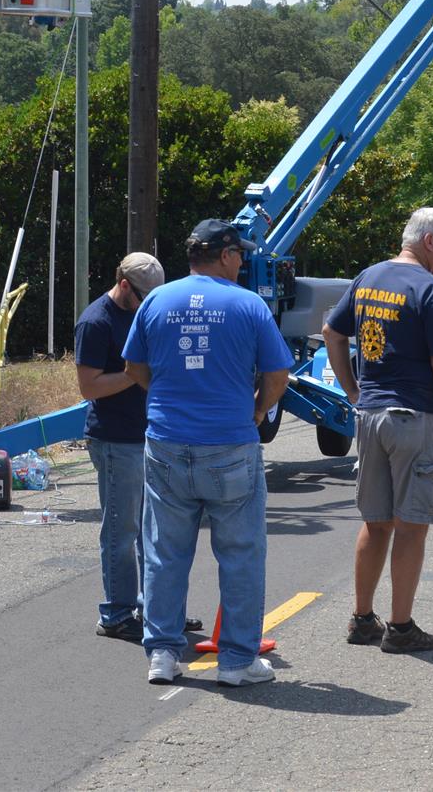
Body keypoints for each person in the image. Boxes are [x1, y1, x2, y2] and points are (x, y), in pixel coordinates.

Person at [123, 219, 293, 687]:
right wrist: (258, 413)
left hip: (167, 444)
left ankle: (161, 653)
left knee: (164, 552)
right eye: (239, 254)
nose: (242, 261)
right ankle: (237, 661)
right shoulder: (248, 305)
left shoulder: (157, 299)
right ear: (224, 256)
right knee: (240, 554)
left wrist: (168, 396)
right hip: (230, 445)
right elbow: (278, 375)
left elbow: (134, 366)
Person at [321, 207, 433, 654]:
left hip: (371, 418)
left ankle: (362, 618)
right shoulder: (432, 288)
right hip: (415, 417)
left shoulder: (369, 277)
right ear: (430, 241)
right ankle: (401, 627)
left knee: (376, 522)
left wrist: (354, 392)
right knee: (412, 526)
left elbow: (333, 333)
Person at [75, 251, 166, 641]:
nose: (147, 303)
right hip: (115, 439)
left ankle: (155, 607)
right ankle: (115, 612)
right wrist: (134, 375)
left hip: (147, 434)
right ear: (124, 285)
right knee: (121, 529)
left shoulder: (143, 309)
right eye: (142, 296)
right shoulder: (96, 322)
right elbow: (89, 386)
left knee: (153, 528)